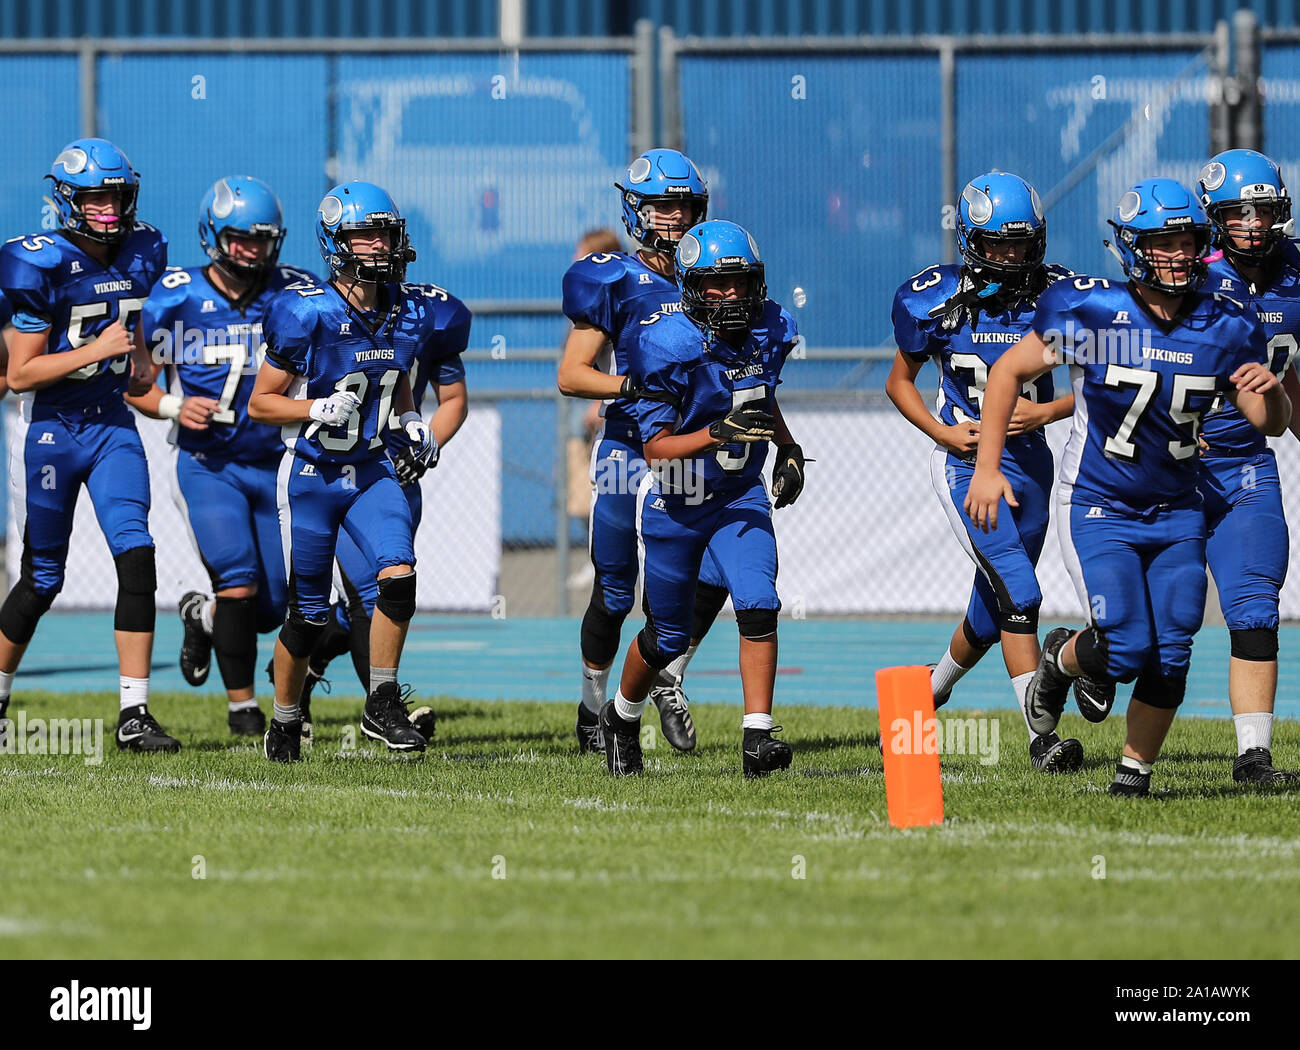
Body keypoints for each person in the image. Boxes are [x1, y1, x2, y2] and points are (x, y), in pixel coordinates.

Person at [965, 177, 1291, 796]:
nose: (1178, 254)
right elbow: (1007, 370)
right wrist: (987, 467)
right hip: (1099, 507)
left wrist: (1271, 393)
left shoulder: (1226, 323)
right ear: (1133, 246)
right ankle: (1061, 662)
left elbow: (1266, 425)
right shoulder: (1093, 311)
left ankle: (1132, 777)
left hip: (1178, 511)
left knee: (1173, 644)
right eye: (1162, 241)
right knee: (1124, 647)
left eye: (1189, 240)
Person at [886, 170, 1098, 772]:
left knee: (996, 602)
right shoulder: (935, 298)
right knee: (1022, 590)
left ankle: (928, 690)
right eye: (999, 244)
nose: (1012, 256)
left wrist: (1049, 411)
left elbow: (1108, 379)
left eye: (1022, 243)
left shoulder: (1060, 294)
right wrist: (942, 431)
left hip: (1033, 463)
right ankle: (1041, 738)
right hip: (966, 466)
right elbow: (898, 382)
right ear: (971, 242)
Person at [601, 219, 806, 778]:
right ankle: (621, 717)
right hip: (677, 499)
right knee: (666, 636)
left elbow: (759, 398)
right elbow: (658, 448)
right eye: (717, 285)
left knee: (759, 602)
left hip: (739, 496)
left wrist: (788, 448)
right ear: (691, 286)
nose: (733, 296)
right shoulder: (664, 341)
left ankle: (758, 739)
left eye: (741, 283)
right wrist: (720, 432)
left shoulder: (770, 327)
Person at [248, 181, 435, 763]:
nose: (378, 246)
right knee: (306, 616)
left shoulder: (406, 307)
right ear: (337, 242)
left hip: (373, 469)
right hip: (310, 475)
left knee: (398, 576)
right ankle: (283, 719)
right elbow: (260, 403)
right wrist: (313, 408)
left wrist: (412, 419)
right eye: (364, 235)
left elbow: (399, 373)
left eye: (384, 233)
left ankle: (381, 701)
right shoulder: (306, 311)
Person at [0, 138, 175, 751]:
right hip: (47, 428)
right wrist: (95, 351)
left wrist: (144, 361)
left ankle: (135, 713)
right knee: (43, 578)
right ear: (67, 200)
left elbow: (137, 317)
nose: (108, 210)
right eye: (95, 198)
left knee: (138, 553)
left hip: (109, 425)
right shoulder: (38, 260)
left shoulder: (145, 247)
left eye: (116, 196)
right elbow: (19, 374)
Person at [128, 175, 314, 737]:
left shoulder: (295, 292)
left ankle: (201, 617)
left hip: (272, 463)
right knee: (237, 580)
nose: (252, 250)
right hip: (209, 464)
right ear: (214, 235)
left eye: (262, 239)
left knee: (273, 606)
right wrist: (171, 406)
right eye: (241, 238)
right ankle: (243, 710)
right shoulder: (176, 294)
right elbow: (137, 382)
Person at [558, 149, 730, 757]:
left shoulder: (718, 270)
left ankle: (668, 672)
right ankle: (592, 702)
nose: (676, 217)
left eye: (684, 204)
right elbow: (572, 374)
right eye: (663, 206)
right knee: (614, 588)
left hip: (696, 450)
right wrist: (631, 386)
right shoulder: (617, 280)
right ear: (637, 212)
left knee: (709, 574)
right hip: (631, 447)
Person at [1194, 149, 1300, 784]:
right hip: (1172, 466)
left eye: (1265, 210)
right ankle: (1069, 659)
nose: (1255, 224)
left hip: (1247, 464)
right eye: (1239, 212)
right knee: (1146, 625)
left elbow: (1296, 383)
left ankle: (1253, 756)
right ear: (1215, 216)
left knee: (1256, 604)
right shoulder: (1184, 272)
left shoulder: (1296, 273)